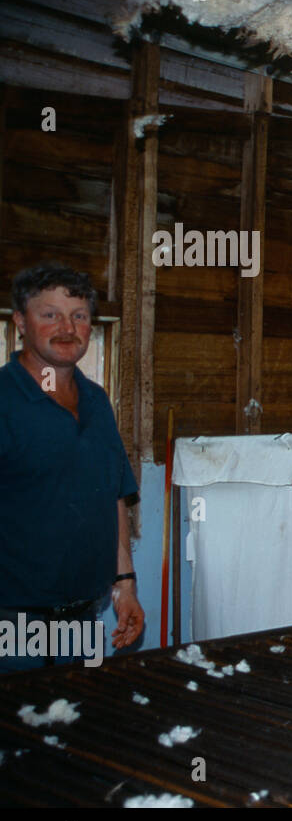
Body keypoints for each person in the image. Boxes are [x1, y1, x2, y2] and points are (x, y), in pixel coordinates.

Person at [0, 263, 144, 672]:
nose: (67, 327)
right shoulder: (3, 400)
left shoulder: (96, 400)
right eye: (50, 315)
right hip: (11, 618)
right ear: (20, 323)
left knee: (75, 719)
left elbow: (113, 496)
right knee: (17, 727)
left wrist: (124, 585)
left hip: (81, 611)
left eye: (78, 316)